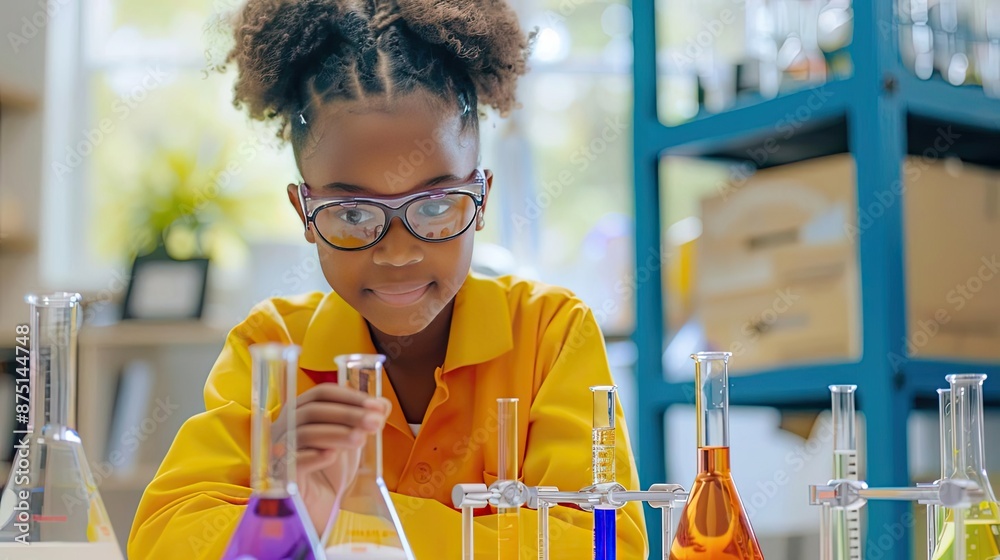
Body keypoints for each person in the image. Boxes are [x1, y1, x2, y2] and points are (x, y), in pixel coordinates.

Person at [127, 0, 648, 557]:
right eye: (352, 215)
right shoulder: (272, 348)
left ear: (482, 196)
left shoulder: (550, 334)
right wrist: (283, 496)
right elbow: (163, 538)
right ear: (305, 213)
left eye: (434, 206)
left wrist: (337, 516)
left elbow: (602, 541)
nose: (399, 254)